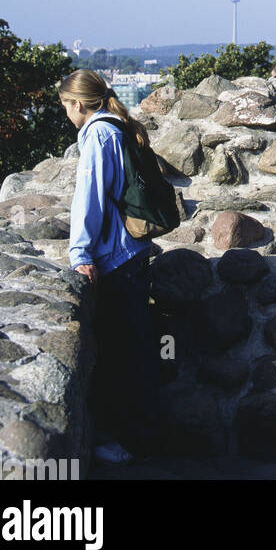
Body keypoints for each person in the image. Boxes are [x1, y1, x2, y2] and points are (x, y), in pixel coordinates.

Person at [60, 69, 160, 464]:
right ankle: (141, 436)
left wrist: (80, 254)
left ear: (78, 104)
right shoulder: (119, 125)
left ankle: (118, 444)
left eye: (66, 106)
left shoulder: (99, 135)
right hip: (133, 253)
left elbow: (90, 198)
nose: (66, 113)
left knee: (115, 354)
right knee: (133, 349)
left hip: (114, 257)